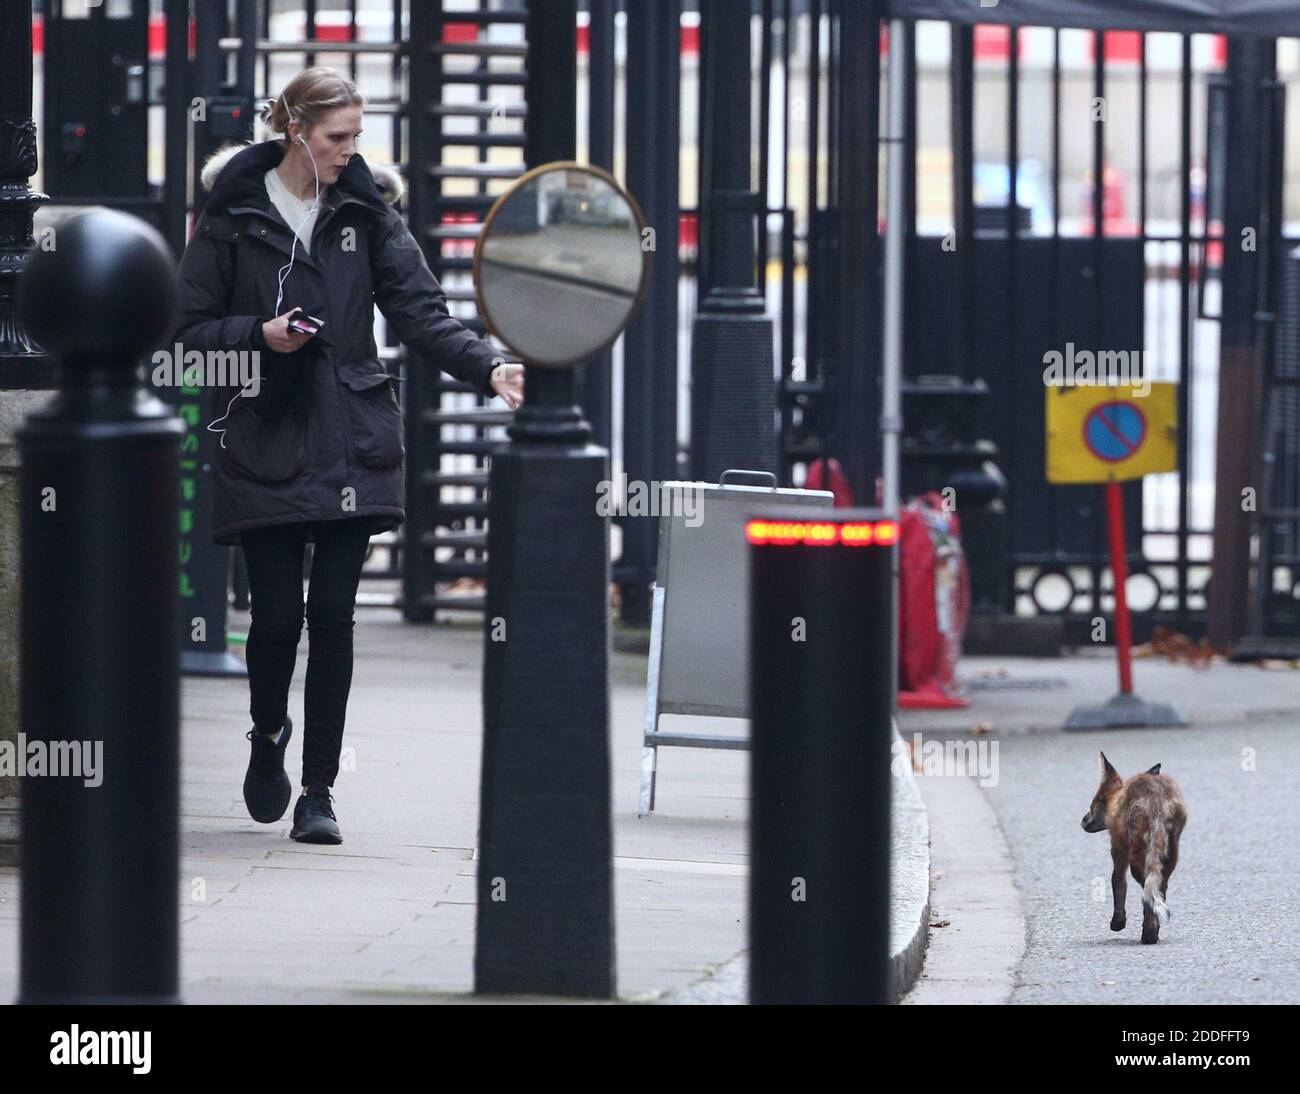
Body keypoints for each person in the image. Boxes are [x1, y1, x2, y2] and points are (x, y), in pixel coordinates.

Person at [171, 66, 523, 844]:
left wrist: (487, 365)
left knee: (331, 617)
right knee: (271, 622)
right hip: (264, 435)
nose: (349, 150)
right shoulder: (230, 217)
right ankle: (269, 740)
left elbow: (421, 312)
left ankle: (319, 791)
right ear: (295, 131)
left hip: (351, 441)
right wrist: (256, 336)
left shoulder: (367, 211)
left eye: (357, 136)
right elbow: (187, 333)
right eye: (338, 137)